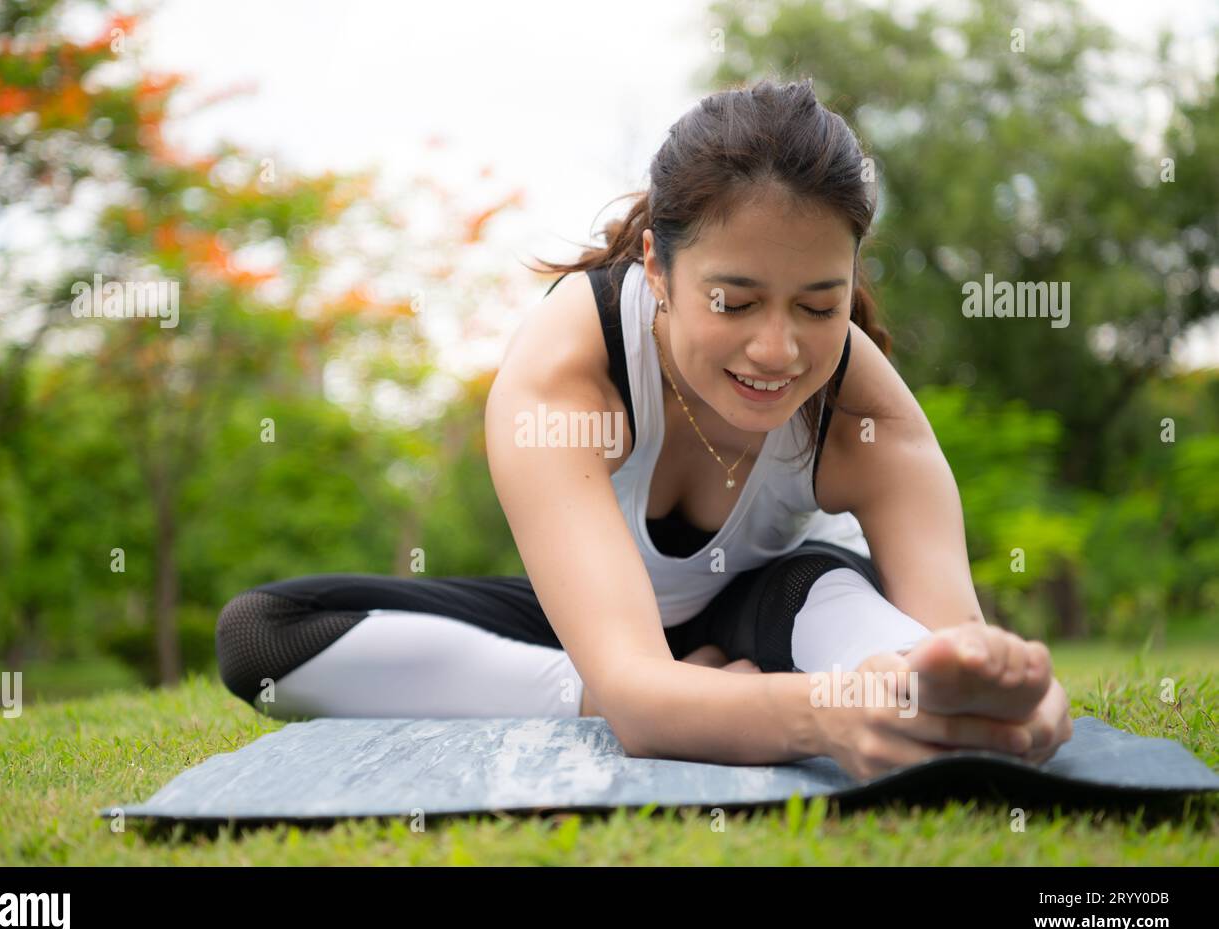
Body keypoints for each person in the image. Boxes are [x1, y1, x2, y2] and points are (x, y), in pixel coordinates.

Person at [215, 76, 1073, 782]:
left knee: (847, 606)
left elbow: (950, 633)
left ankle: (847, 689)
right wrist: (818, 715)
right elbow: (637, 693)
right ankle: (655, 694)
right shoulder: (567, 375)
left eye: (820, 305)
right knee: (263, 638)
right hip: (602, 633)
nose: (777, 350)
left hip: (781, 611)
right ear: (659, 270)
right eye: (732, 301)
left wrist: (986, 690)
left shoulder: (867, 416)